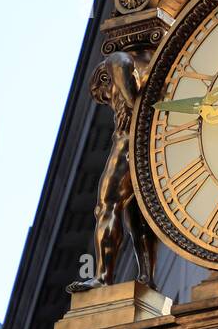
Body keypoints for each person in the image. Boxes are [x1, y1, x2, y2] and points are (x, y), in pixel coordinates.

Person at [66, 51, 157, 292]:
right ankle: (147, 277)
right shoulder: (153, 65)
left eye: (104, 95)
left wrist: (130, 110)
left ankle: (103, 278)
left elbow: (131, 99)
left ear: (103, 78)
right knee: (136, 211)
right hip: (150, 141)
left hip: (128, 141)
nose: (107, 99)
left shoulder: (116, 60)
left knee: (107, 205)